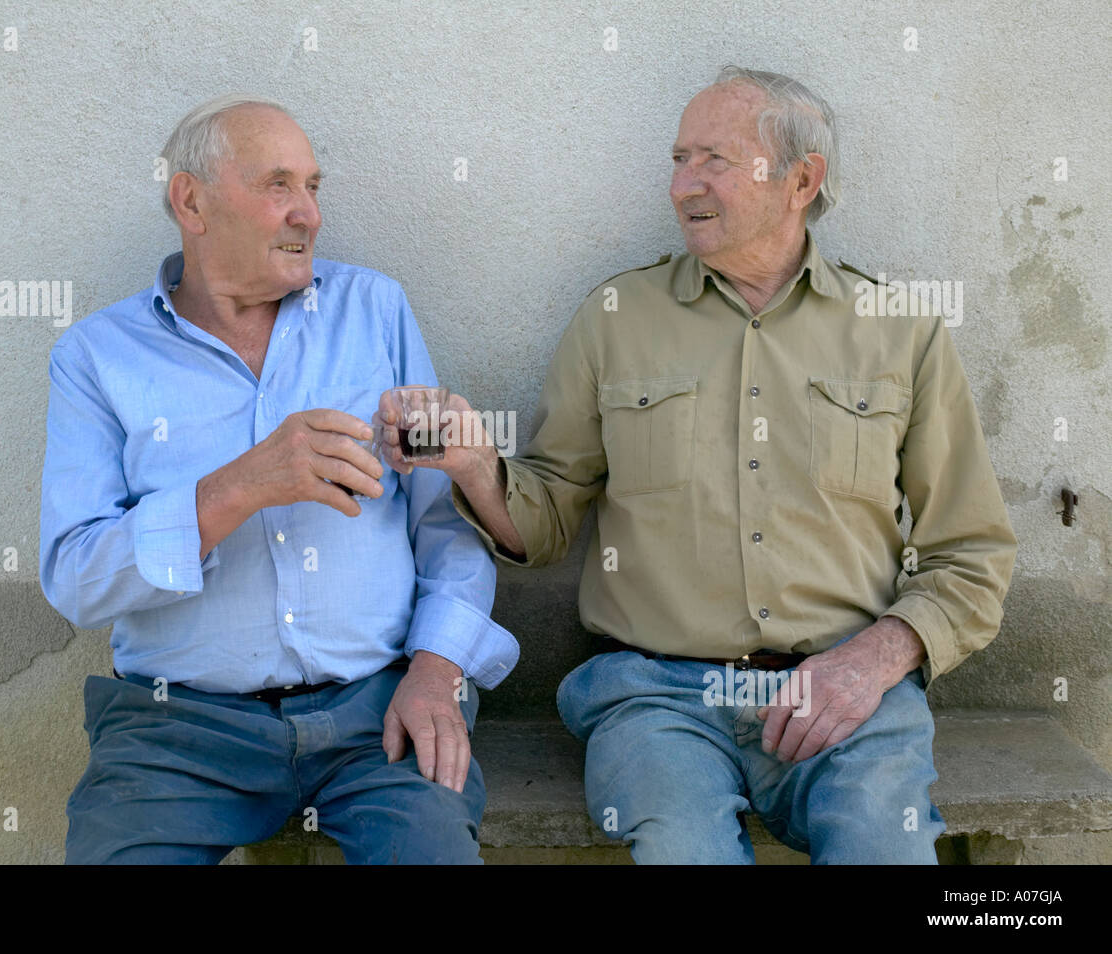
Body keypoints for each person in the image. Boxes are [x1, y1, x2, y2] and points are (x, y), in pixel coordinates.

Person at [381, 67, 1017, 863]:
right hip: (655, 701)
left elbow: (972, 552)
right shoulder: (616, 317)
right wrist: (476, 464)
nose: (684, 185)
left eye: (714, 160)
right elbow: (543, 526)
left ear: (801, 180)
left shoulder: (902, 332)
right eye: (679, 160)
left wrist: (872, 660)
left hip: (847, 698)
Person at [39, 94, 518, 864]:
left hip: (379, 713)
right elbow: (75, 578)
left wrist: (437, 668)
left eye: (315, 188)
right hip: (176, 732)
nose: (310, 215)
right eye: (279, 186)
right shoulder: (97, 357)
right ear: (190, 200)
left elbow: (444, 527)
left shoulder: (375, 311)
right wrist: (238, 487)